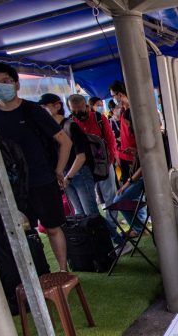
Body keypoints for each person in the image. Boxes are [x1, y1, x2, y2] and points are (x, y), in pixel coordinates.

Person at [0, 62, 71, 272]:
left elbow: (65, 142)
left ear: (16, 84)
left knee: (52, 227)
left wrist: (58, 171)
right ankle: (36, 272)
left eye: (5, 81)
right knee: (23, 232)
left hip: (42, 180)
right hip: (12, 186)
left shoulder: (33, 111)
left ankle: (63, 271)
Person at [67, 93, 122, 244]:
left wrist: (109, 161)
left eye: (80, 108)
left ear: (86, 106)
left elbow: (110, 140)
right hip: (84, 169)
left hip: (103, 165)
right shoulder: (70, 122)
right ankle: (103, 235)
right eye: (74, 109)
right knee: (88, 206)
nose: (77, 112)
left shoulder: (98, 118)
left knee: (110, 199)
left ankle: (112, 231)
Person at [39, 93, 97, 218]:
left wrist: (68, 177)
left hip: (80, 174)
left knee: (91, 214)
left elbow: (81, 156)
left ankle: (110, 232)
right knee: (79, 215)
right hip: (64, 176)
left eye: (44, 107)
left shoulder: (71, 126)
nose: (42, 111)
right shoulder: (51, 130)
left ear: (57, 106)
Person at [109, 80, 137, 187]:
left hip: (134, 158)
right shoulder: (122, 111)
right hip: (124, 156)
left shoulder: (133, 111)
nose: (113, 99)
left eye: (113, 96)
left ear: (120, 95)